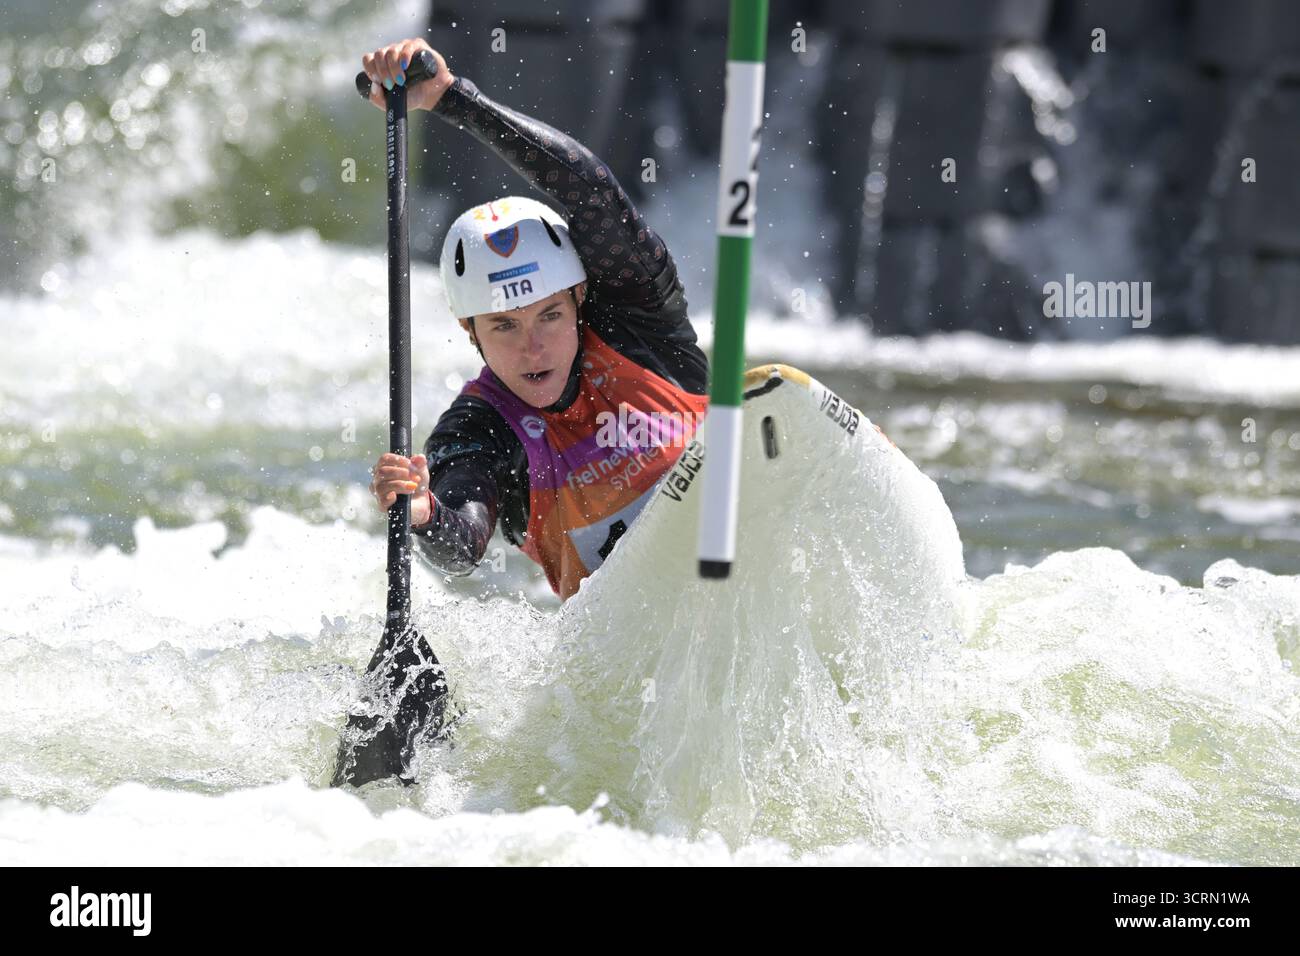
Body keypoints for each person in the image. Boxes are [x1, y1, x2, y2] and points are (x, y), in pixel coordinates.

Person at [363, 38, 710, 601]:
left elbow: (590, 192)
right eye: (503, 326)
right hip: (633, 642)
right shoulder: (480, 429)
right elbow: (463, 544)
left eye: (548, 315)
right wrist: (424, 513)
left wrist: (452, 99)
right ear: (469, 331)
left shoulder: (639, 322)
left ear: (578, 297)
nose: (533, 347)